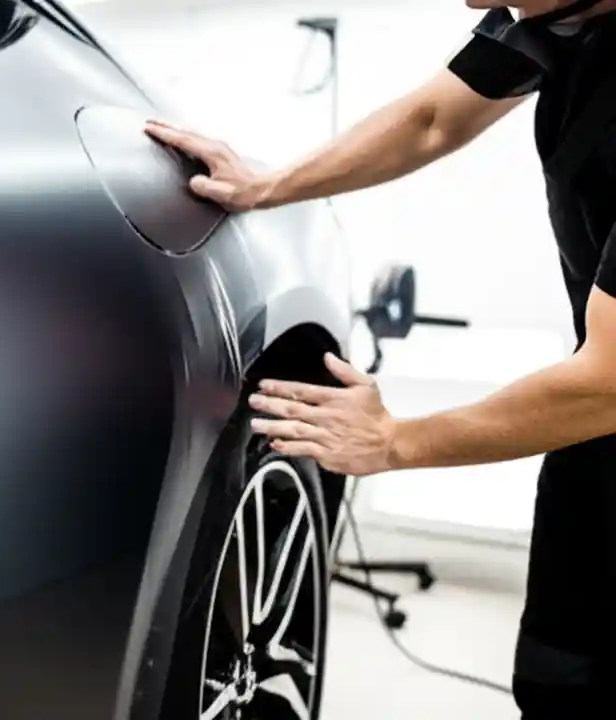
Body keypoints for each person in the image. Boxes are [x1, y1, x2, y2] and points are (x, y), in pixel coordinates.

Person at [146, 0, 616, 717]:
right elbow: (434, 119)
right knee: (558, 676)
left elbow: (609, 384)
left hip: (602, 395)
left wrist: (396, 441)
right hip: (594, 438)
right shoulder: (552, 16)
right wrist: (265, 186)